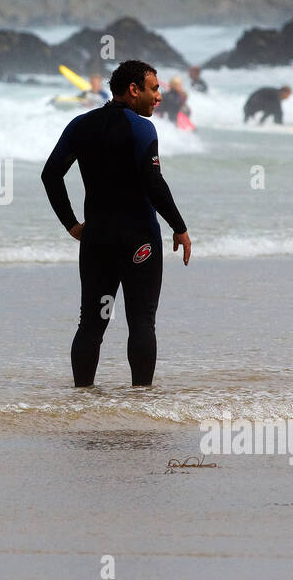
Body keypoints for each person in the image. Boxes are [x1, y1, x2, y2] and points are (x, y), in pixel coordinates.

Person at [41, 59, 192, 388]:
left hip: (97, 239)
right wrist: (178, 227)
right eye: (154, 89)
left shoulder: (80, 125)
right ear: (133, 90)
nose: (159, 97)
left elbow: (50, 174)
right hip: (139, 240)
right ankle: (141, 404)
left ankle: (82, 400)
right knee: (141, 322)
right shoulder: (141, 128)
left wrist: (71, 224)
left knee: (91, 325)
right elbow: (154, 184)